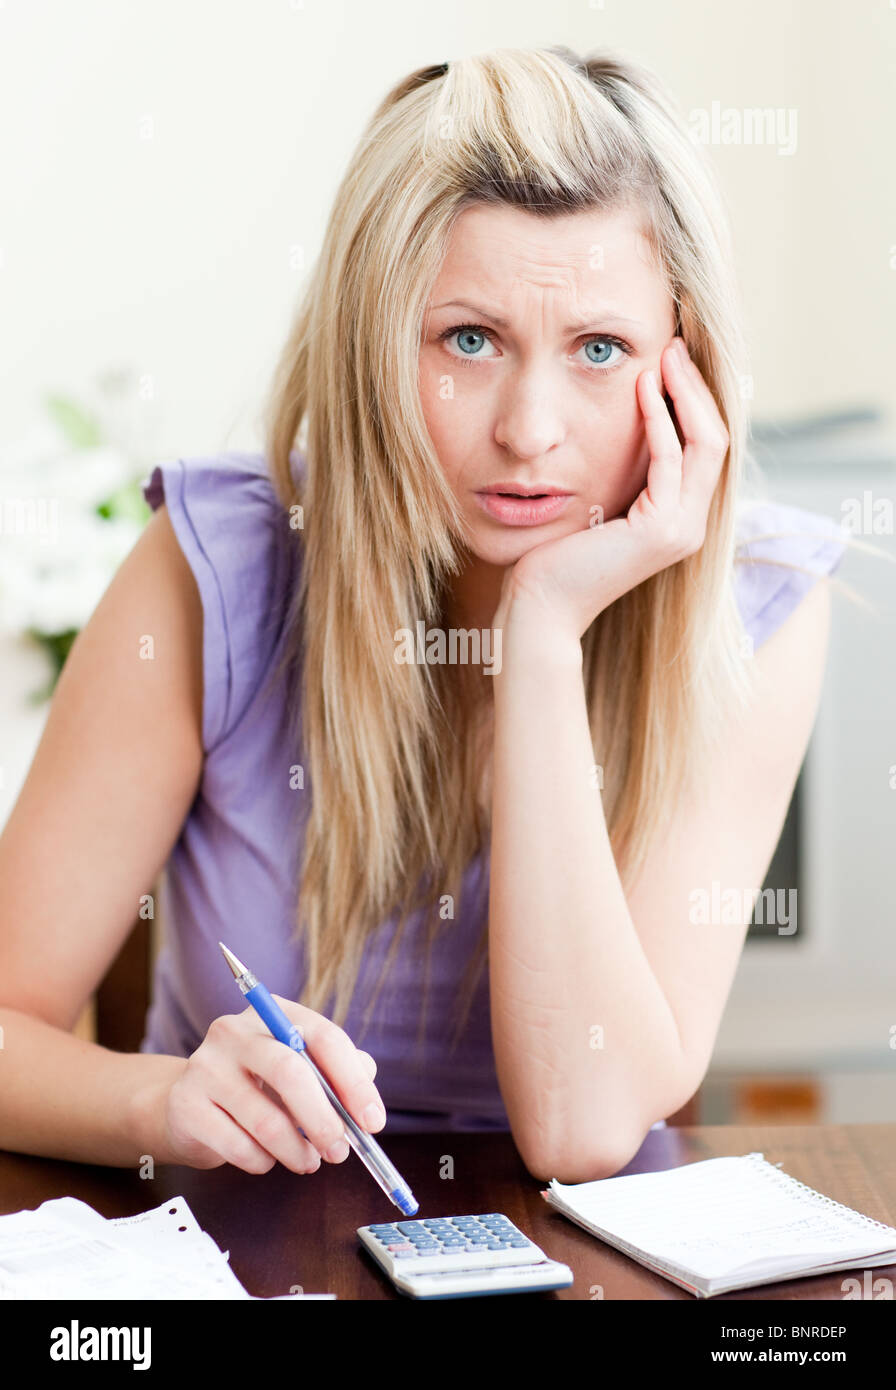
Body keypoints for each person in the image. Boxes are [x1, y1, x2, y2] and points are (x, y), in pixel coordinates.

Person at [0, 46, 852, 1184]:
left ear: (682, 369)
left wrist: (539, 639)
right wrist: (163, 1099)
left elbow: (582, 1128)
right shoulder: (219, 566)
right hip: (244, 1243)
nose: (527, 429)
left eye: (598, 349)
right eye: (467, 340)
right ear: (373, 345)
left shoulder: (757, 605)